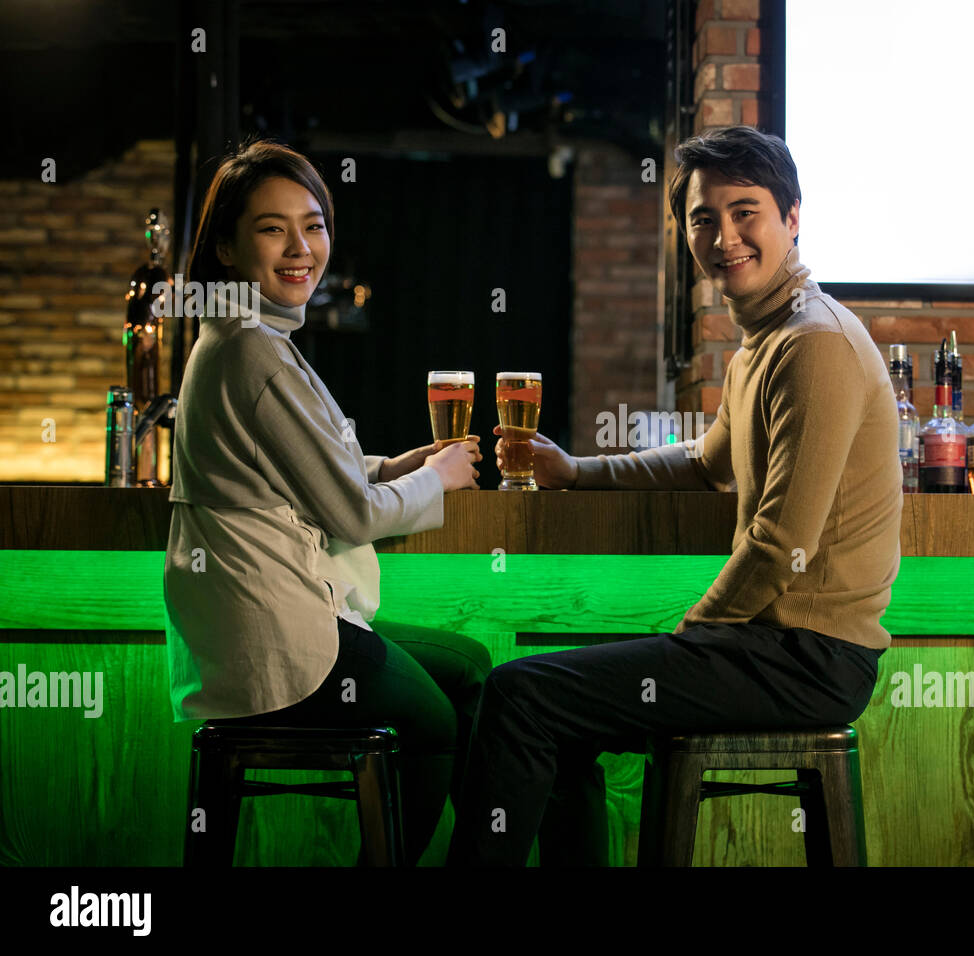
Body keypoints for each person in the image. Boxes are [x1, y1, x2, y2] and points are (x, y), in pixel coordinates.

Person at [446, 125, 903, 867]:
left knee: (520, 697)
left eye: (745, 212)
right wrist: (577, 472)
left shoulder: (814, 344)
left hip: (805, 659)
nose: (724, 236)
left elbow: (780, 546)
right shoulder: (769, 340)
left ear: (792, 218)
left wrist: (691, 636)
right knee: (548, 706)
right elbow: (704, 461)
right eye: (703, 218)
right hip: (781, 649)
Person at [163, 138, 488, 866]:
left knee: (467, 665)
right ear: (224, 245)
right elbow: (350, 514)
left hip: (239, 635)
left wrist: (399, 463)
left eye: (313, 225)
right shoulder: (253, 348)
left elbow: (303, 470)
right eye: (272, 228)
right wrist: (438, 480)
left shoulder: (243, 338)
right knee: (438, 718)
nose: (300, 247)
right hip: (276, 643)